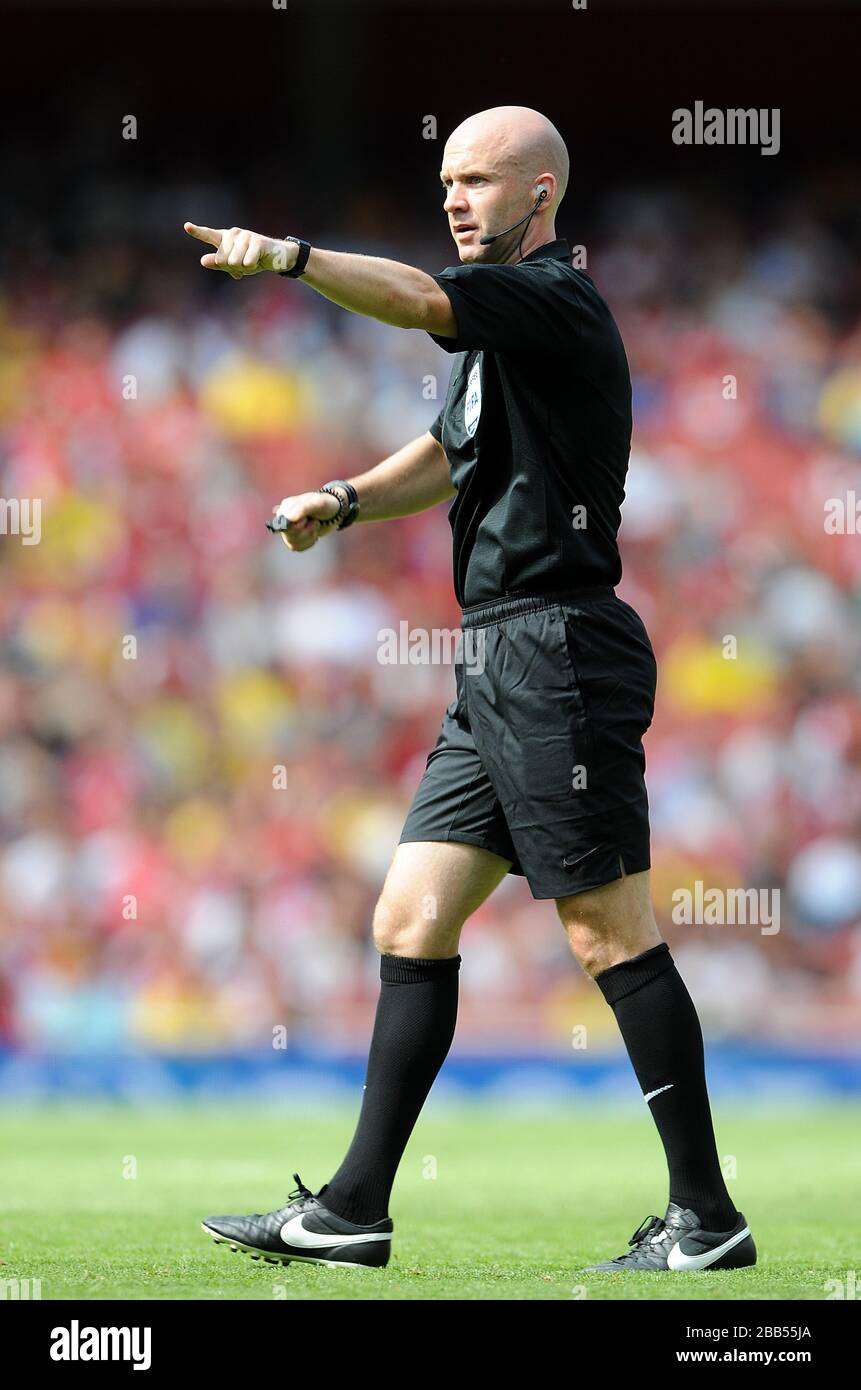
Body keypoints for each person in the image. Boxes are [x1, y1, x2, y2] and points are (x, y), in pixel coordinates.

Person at [186, 105, 755, 1274]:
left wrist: (289, 259)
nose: (455, 197)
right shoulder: (508, 338)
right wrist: (342, 498)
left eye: (480, 181)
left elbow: (419, 300)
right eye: (446, 178)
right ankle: (353, 1209)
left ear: (541, 195)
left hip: (557, 647)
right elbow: (449, 454)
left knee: (608, 932)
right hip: (495, 656)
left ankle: (708, 1220)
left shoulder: (553, 296)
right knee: (411, 915)